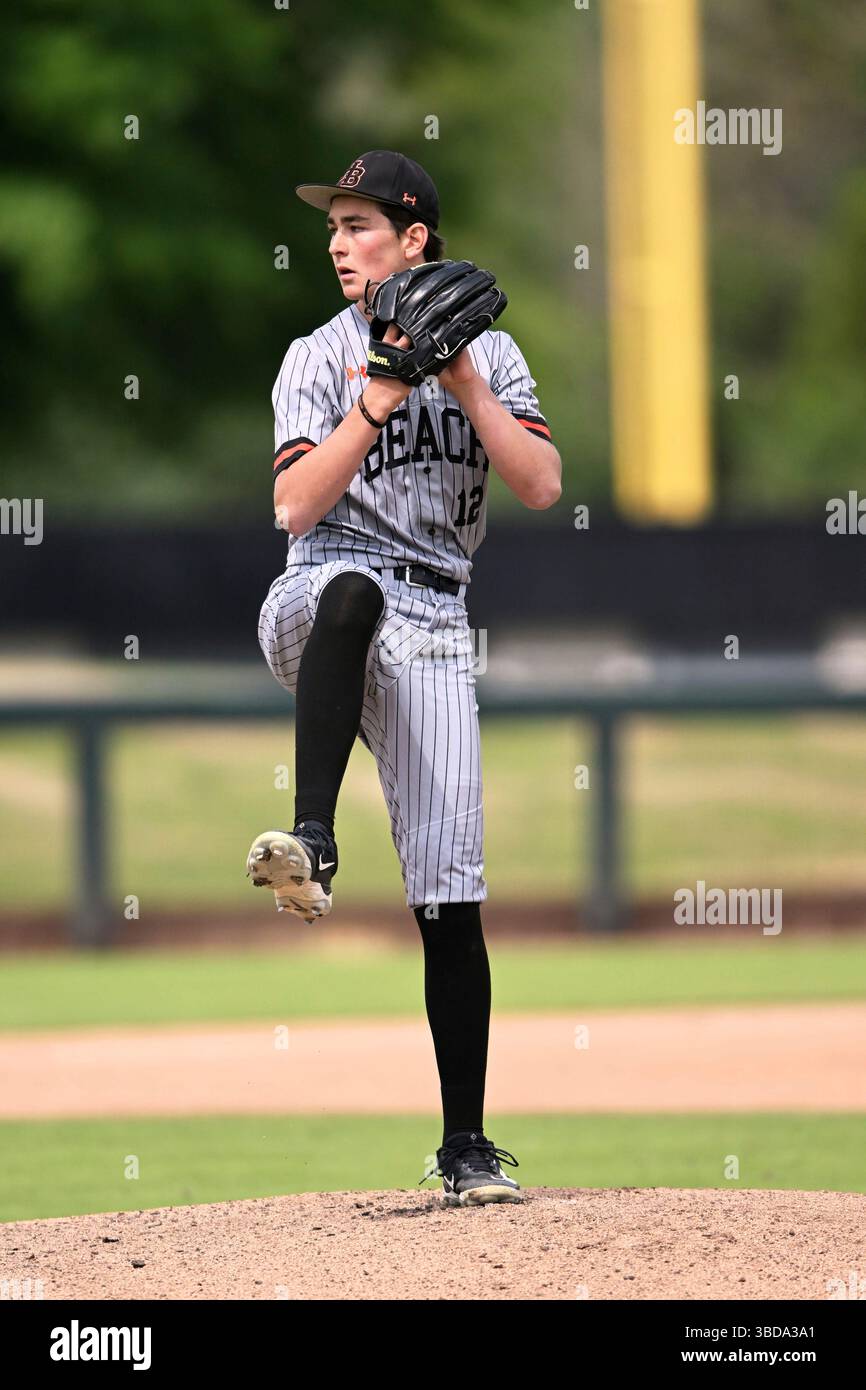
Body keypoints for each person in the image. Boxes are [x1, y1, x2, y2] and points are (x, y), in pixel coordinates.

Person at [247, 150, 561, 1205]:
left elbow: (538, 484)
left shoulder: (498, 354)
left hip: (435, 615)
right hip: (316, 592)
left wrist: (463, 376)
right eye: (332, 227)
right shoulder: (315, 355)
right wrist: (378, 395)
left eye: (358, 225)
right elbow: (294, 510)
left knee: (450, 894)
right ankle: (314, 838)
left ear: (414, 238)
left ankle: (465, 1147)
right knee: (348, 593)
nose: (337, 245)